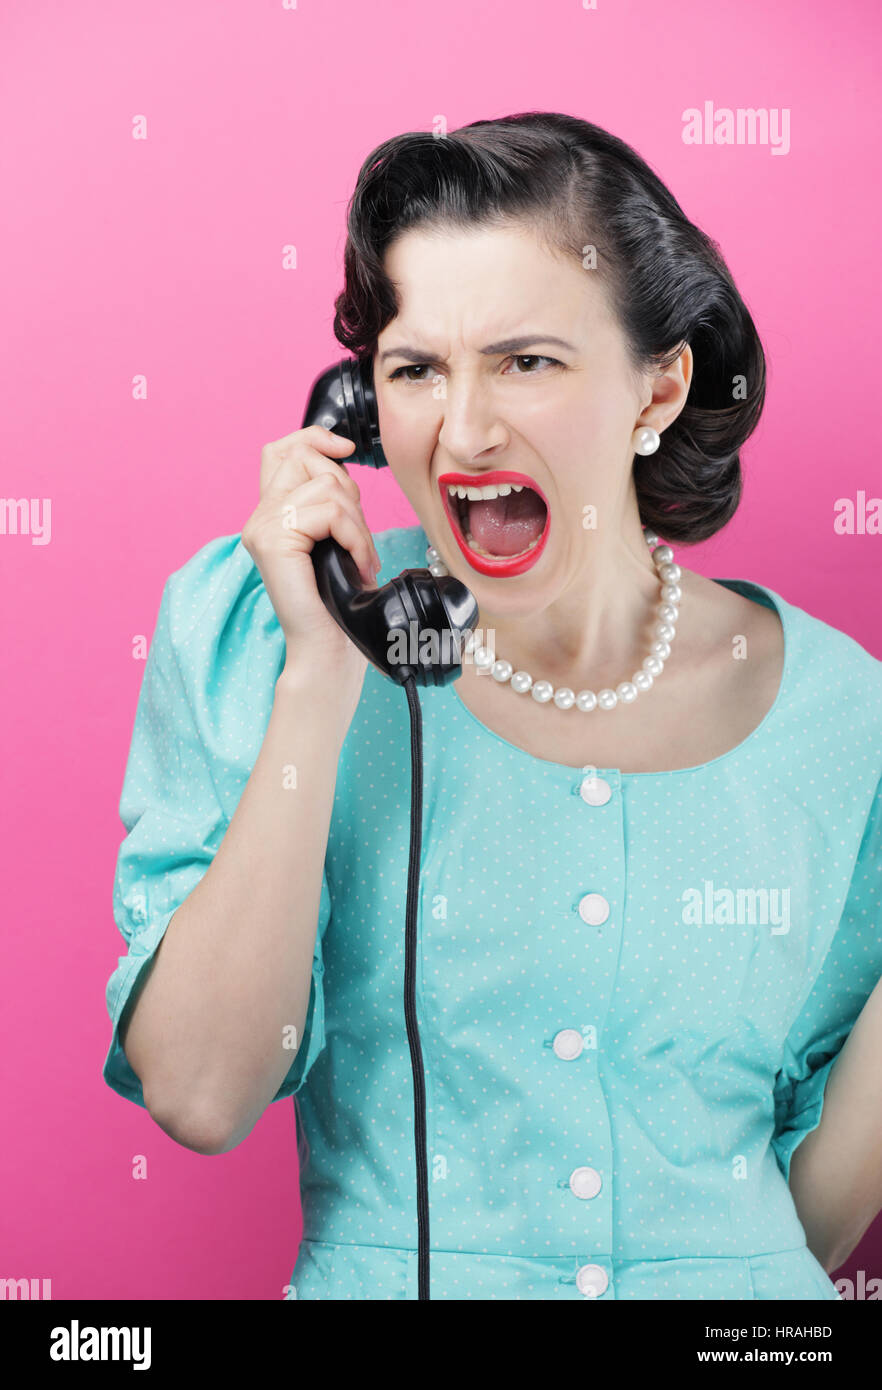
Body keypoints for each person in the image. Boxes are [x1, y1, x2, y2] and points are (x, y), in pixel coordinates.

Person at [102, 111, 882, 1300]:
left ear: (659, 385)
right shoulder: (262, 631)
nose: (464, 431)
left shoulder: (848, 716)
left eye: (529, 360)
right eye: (415, 371)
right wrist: (324, 666)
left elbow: (807, 1223)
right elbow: (203, 1095)